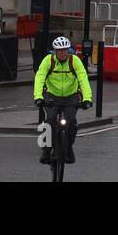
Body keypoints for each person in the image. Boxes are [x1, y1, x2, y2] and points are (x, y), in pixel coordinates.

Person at [33, 35, 93, 164]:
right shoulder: (48, 61)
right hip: (52, 95)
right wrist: (38, 97)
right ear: (54, 51)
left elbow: (83, 79)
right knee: (49, 120)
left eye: (65, 50)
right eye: (59, 50)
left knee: (71, 122)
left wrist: (87, 99)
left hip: (71, 96)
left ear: (69, 50)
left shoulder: (74, 61)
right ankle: (47, 150)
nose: (62, 53)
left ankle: (68, 148)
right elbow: (39, 78)